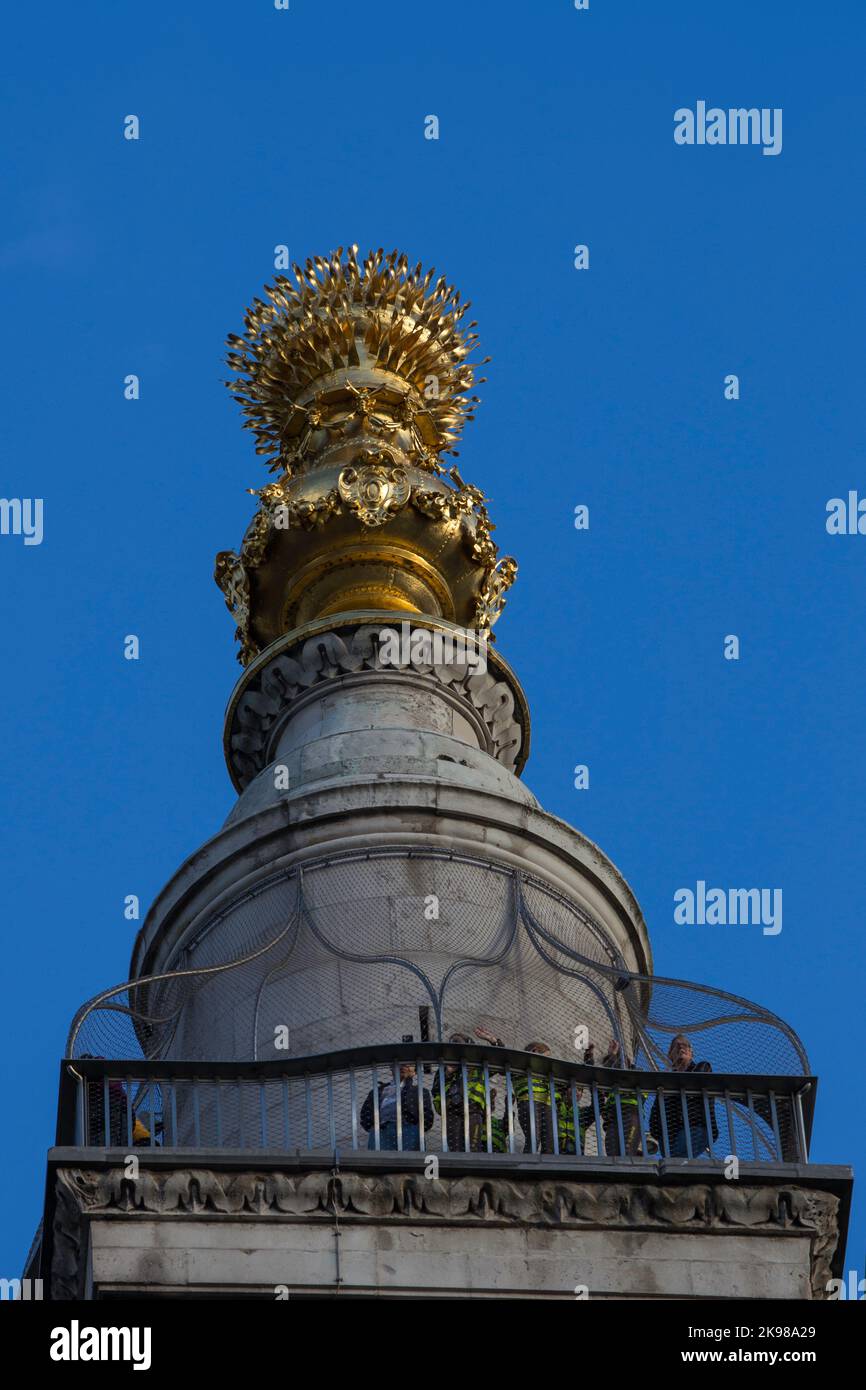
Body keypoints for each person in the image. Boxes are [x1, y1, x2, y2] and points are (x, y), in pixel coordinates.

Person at [432, 1026, 503, 1152]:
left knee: (473, 1146)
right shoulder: (445, 1069)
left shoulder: (478, 1066)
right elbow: (436, 1091)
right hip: (452, 1110)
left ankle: (473, 1170)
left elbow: (500, 1062)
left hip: (473, 1109)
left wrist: (493, 1041)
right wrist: (448, 1074)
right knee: (455, 1148)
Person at [649, 1034, 718, 1157]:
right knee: (675, 1163)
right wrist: (657, 1133)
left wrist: (678, 1068)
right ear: (670, 1055)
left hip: (695, 1127)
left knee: (676, 1161)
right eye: (676, 1047)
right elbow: (656, 1111)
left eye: (685, 1045)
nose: (681, 1048)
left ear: (691, 1053)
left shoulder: (702, 1067)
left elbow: (698, 1080)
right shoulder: (665, 1083)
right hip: (668, 1135)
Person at [361, 1064, 434, 1151]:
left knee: (410, 1161)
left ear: (414, 1072)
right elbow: (366, 1114)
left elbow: (427, 1116)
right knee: (381, 1161)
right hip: (382, 1130)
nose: (404, 1066)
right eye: (400, 1064)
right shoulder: (378, 1091)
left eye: (408, 1064)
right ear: (391, 1069)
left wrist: (415, 1128)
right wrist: (374, 1128)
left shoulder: (420, 1091)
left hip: (410, 1130)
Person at [598, 1038, 645, 1157]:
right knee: (613, 1155)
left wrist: (614, 1056)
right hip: (613, 1119)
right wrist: (611, 1056)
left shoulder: (637, 1073)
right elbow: (603, 1085)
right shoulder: (612, 1082)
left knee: (627, 1153)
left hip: (630, 1115)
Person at [514, 1042, 557, 1153]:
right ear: (534, 1051)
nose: (547, 1062)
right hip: (528, 1101)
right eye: (546, 1057)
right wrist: (495, 1041)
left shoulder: (545, 1072)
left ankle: (546, 1168)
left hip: (546, 1105)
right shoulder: (520, 1065)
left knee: (549, 1143)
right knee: (534, 1139)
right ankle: (528, 1165)